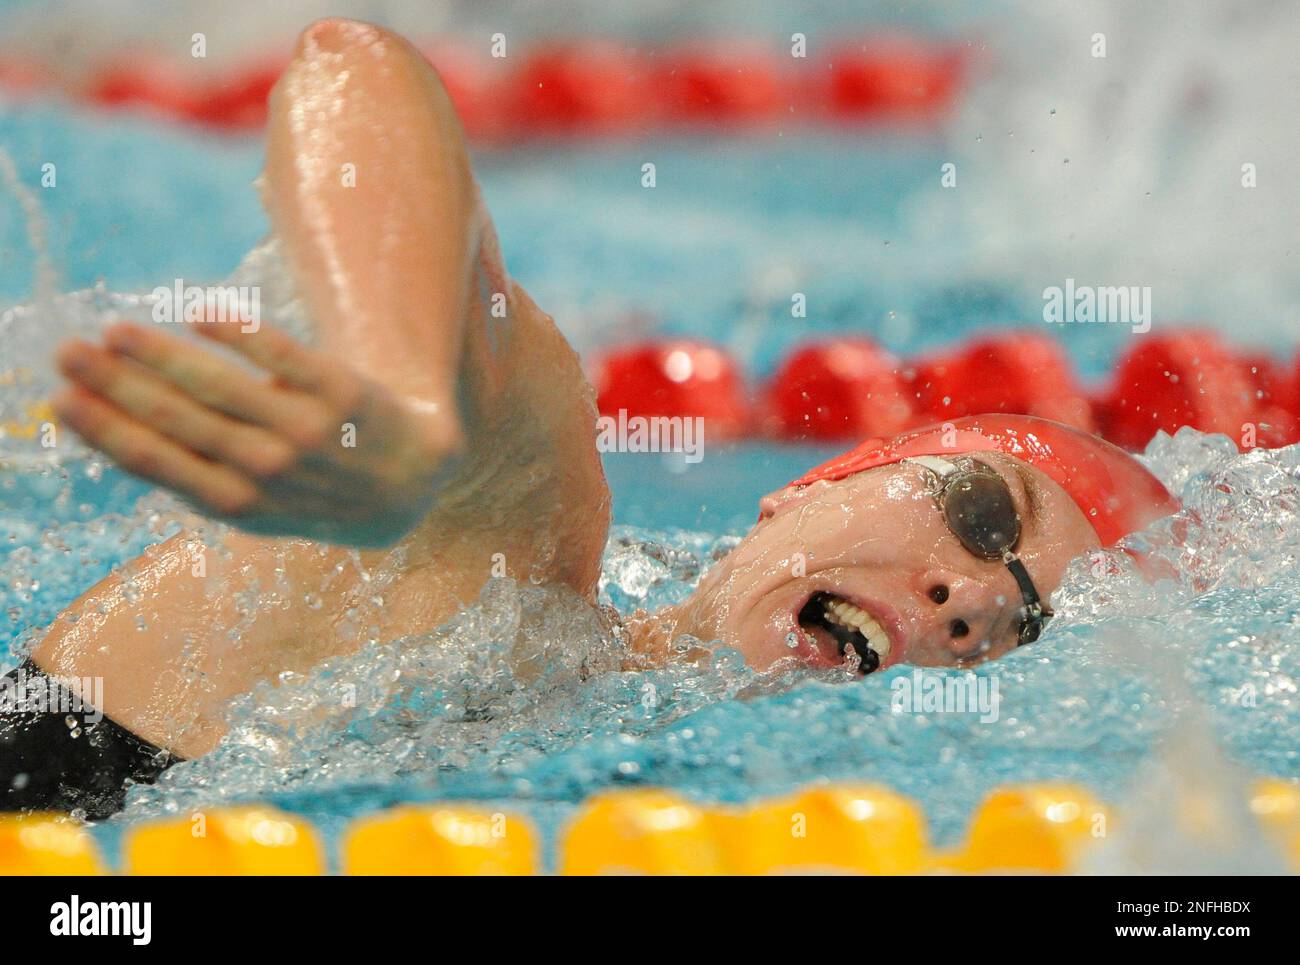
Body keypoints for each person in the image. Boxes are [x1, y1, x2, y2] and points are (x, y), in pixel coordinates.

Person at [0, 19, 1180, 818]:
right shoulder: (506, 542)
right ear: (820, 476)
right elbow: (354, 70)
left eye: (1023, 623)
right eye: (981, 513)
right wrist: (402, 408)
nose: (971, 598)